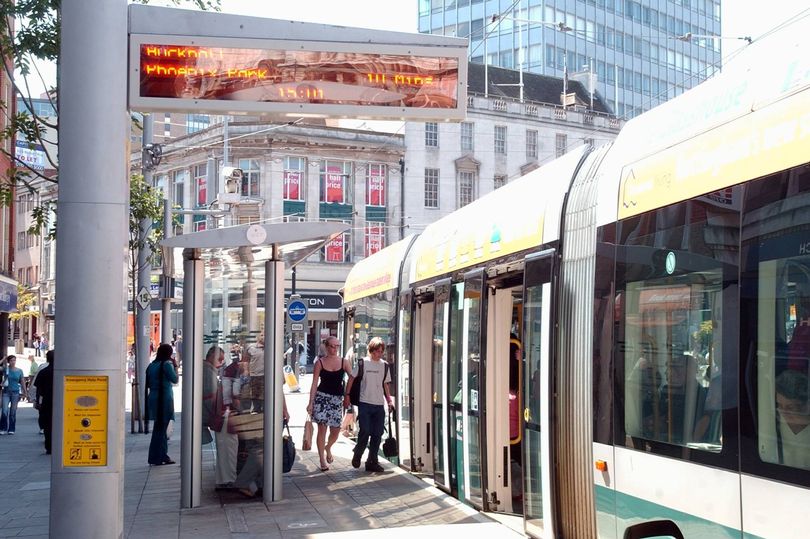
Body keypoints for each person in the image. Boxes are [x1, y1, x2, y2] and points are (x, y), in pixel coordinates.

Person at [343, 337, 393, 473]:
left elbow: (385, 384)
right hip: (364, 403)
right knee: (364, 431)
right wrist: (347, 397)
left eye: (381, 351)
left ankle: (372, 461)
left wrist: (389, 400)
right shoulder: (362, 363)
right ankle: (358, 453)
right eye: (377, 351)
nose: (379, 354)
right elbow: (352, 379)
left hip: (378, 405)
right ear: (371, 350)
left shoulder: (384, 365)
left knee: (377, 434)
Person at [306, 337, 351, 471]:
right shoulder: (320, 363)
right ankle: (321, 460)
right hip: (321, 398)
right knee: (322, 429)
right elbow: (314, 383)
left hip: (337, 399)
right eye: (332, 346)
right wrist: (310, 403)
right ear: (326, 347)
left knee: (336, 430)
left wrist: (348, 395)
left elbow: (353, 378)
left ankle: (328, 447)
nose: (334, 349)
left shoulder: (344, 362)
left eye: (337, 346)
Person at [202, 345, 239, 487]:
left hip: (221, 418)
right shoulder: (208, 371)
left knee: (224, 453)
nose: (222, 361)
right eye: (220, 358)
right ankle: (228, 481)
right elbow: (210, 397)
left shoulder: (210, 370)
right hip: (224, 418)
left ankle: (224, 480)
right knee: (228, 453)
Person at [145, 343, 178, 466]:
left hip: (153, 397)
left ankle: (162, 455)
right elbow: (175, 379)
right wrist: (175, 366)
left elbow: (148, 383)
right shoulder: (166, 365)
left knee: (160, 428)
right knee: (160, 429)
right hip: (164, 398)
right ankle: (156, 456)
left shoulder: (152, 365)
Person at [775, 369, 810, 469]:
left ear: (806, 406)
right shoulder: (774, 422)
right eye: (779, 405)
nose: (783, 412)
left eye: (790, 407)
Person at [0, 355, 26, 435]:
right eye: (11, 360)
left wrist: (25, 392)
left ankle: (11, 429)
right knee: (4, 410)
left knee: (13, 411)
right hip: (6, 392)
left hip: (15, 392)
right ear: (8, 362)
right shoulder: (5, 369)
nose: (13, 362)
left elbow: (22, 381)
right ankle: (3, 428)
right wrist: (3, 359)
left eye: (14, 360)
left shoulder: (19, 371)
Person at [33, 350, 53, 453]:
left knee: (47, 424)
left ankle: (48, 446)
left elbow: (38, 388)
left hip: (47, 401)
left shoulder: (43, 372)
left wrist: (37, 401)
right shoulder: (62, 372)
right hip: (60, 401)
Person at [243, 333, 265, 413]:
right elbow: (246, 361)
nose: (263, 337)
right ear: (257, 337)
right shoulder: (251, 348)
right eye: (262, 335)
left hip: (267, 375)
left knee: (266, 393)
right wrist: (246, 371)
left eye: (265, 335)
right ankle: (256, 409)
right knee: (255, 393)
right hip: (255, 375)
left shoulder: (271, 346)